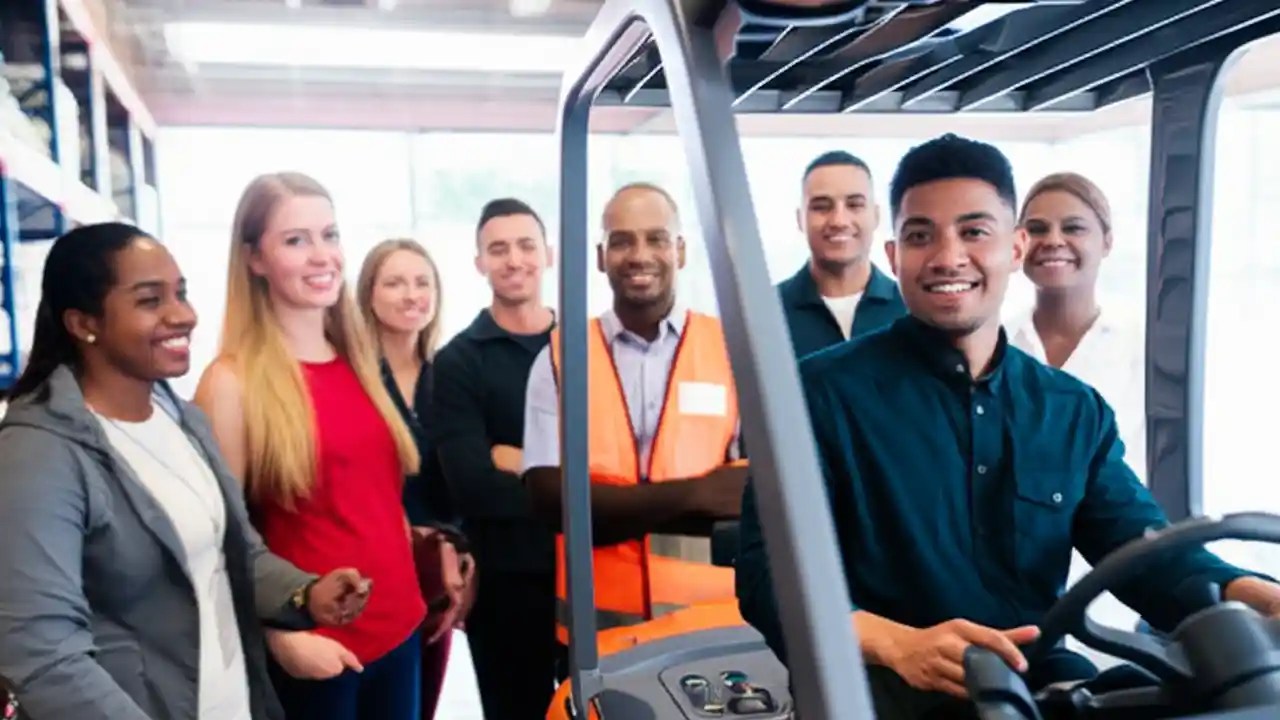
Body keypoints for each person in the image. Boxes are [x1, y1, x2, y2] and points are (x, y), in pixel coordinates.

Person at [735, 134, 1280, 719]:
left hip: (1034, 679)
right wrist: (897, 644)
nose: (948, 257)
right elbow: (768, 578)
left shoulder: (1072, 410)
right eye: (921, 236)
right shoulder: (814, 394)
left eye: (974, 232)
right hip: (883, 682)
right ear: (894, 256)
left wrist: (1252, 595)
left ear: (1015, 247)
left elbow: (1141, 551)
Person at [0, 223, 371, 720]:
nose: (184, 315)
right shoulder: (39, 452)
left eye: (182, 294)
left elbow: (235, 553)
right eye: (151, 301)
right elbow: (42, 651)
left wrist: (304, 592)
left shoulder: (184, 420)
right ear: (83, 322)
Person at [194, 173, 426, 720]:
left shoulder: (361, 362)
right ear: (254, 258)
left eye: (330, 234)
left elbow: (377, 499)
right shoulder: (231, 383)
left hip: (400, 630)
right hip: (316, 648)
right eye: (296, 240)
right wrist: (277, 637)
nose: (322, 255)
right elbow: (218, 539)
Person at [522, 182, 748, 646]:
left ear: (680, 251)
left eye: (656, 238)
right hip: (597, 637)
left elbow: (747, 497)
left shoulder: (730, 353)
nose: (639, 254)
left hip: (712, 630)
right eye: (622, 240)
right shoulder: (561, 356)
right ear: (601, 257)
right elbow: (552, 503)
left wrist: (608, 504)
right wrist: (698, 493)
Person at [429, 198, 561, 719]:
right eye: (498, 249)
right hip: (508, 586)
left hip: (596, 578)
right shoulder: (459, 360)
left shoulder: (586, 345)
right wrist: (578, 481)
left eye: (526, 245)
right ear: (479, 262)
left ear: (547, 254)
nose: (514, 260)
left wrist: (519, 460)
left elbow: (619, 456)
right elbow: (473, 487)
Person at [1010, 172, 1147, 670]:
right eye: (1037, 228)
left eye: (1074, 227)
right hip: (1010, 585)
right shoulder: (993, 342)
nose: (1053, 241)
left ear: (1107, 241)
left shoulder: (1145, 347)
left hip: (1114, 576)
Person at [356, 238, 476, 719]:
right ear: (368, 295)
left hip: (435, 575)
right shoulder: (353, 377)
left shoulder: (448, 375)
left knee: (421, 703)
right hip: (369, 571)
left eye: (422, 282)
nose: (412, 295)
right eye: (395, 282)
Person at [777, 150, 906, 359]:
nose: (839, 220)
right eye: (821, 207)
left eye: (854, 205)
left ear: (875, 216)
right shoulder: (766, 313)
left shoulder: (912, 310)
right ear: (801, 219)